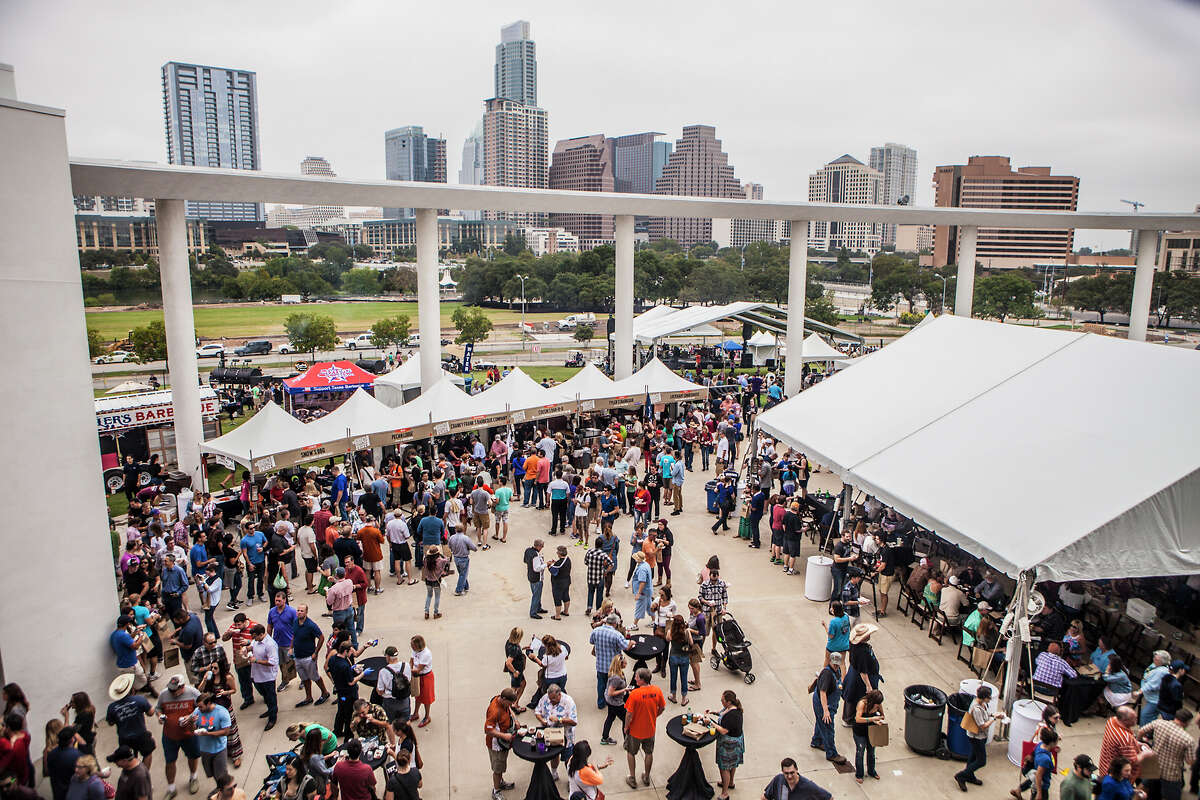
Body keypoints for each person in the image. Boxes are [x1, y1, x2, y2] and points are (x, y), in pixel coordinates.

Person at [155, 675, 201, 800]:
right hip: (170, 735)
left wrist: (191, 716)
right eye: (170, 690)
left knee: (192, 756)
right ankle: (171, 788)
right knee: (170, 762)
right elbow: (158, 708)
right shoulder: (164, 694)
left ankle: (193, 777)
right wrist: (160, 716)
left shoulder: (193, 693)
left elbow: (201, 706)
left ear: (182, 686)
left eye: (175, 690)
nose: (172, 693)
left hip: (189, 734)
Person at [954, 684, 1003, 792]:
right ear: (984, 697)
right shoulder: (976, 708)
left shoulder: (983, 704)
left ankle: (969, 775)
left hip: (981, 736)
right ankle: (961, 775)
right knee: (981, 761)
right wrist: (994, 718)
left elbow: (985, 714)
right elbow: (982, 726)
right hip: (976, 737)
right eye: (988, 697)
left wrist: (994, 715)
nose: (990, 699)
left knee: (972, 757)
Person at [1138, 709, 1196, 800]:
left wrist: (1140, 743)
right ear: (1187, 722)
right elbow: (1190, 761)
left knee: (1150, 791)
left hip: (1154, 766)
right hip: (1171, 774)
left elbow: (1141, 731)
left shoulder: (1158, 723)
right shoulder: (1188, 740)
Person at [622, 668, 664, 790]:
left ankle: (632, 778)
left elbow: (629, 714)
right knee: (649, 752)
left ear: (641, 680)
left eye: (636, 677)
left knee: (631, 752)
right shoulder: (657, 690)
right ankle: (646, 777)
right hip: (650, 729)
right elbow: (662, 707)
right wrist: (654, 716)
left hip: (635, 731)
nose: (635, 678)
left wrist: (626, 727)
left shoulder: (635, 694)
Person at [535, 684, 578, 781]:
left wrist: (559, 719)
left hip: (566, 736)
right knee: (554, 755)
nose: (551, 701)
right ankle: (554, 774)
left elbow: (574, 721)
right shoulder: (545, 698)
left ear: (560, 694)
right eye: (550, 699)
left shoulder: (568, 702)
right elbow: (537, 711)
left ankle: (571, 780)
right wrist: (542, 720)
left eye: (554, 698)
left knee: (569, 760)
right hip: (549, 734)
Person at [841, 623, 880, 726]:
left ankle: (852, 717)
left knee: (852, 694)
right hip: (859, 678)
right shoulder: (861, 651)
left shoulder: (855, 645)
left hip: (856, 673)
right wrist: (868, 685)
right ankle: (850, 718)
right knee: (854, 696)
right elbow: (863, 671)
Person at [189, 694, 232, 785]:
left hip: (219, 749)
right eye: (198, 707)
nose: (199, 709)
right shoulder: (197, 711)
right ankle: (220, 788)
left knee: (221, 775)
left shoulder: (221, 712)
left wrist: (208, 734)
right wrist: (192, 723)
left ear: (208, 703)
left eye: (201, 707)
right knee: (211, 773)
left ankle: (223, 791)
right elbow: (192, 730)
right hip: (205, 750)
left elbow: (226, 731)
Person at [290, 605, 329, 708]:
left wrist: (315, 653)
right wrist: (291, 648)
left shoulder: (311, 625)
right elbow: (294, 635)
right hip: (297, 657)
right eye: (298, 610)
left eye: (301, 611)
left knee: (315, 677)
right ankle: (308, 697)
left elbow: (321, 637)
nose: (299, 612)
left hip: (309, 657)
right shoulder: (295, 622)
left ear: (306, 612)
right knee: (304, 678)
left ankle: (325, 692)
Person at [810, 652, 844, 764]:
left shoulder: (837, 671)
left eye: (838, 664)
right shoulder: (827, 674)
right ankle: (832, 754)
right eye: (834, 664)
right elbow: (823, 693)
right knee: (828, 728)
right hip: (823, 704)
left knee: (821, 722)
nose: (836, 666)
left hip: (828, 703)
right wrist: (826, 711)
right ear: (829, 661)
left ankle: (817, 741)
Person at [483, 689, 517, 800]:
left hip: (504, 743)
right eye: (509, 703)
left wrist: (515, 720)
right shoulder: (494, 710)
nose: (511, 705)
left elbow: (509, 708)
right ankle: (496, 791)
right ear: (503, 699)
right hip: (496, 745)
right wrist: (504, 736)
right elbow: (488, 730)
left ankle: (501, 782)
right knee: (497, 769)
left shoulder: (501, 699)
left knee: (501, 765)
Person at [711, 690, 744, 800]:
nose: (721, 702)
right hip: (737, 741)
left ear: (729, 702)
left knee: (724, 767)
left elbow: (724, 731)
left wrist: (711, 723)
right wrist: (713, 712)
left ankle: (724, 794)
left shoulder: (732, 716)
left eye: (723, 700)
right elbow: (722, 713)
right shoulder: (732, 708)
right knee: (733, 764)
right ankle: (730, 782)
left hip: (729, 744)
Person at [246, 625, 279, 730]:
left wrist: (256, 661)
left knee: (271, 697)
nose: (253, 639)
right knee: (264, 695)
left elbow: (272, 662)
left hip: (267, 676)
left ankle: (272, 717)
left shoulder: (270, 644)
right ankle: (270, 709)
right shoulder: (256, 640)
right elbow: (252, 645)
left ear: (261, 634)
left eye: (255, 637)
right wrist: (248, 648)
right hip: (257, 674)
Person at [266, 595, 298, 694]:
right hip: (277, 643)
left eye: (279, 601)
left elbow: (297, 626)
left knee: (295, 662)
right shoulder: (272, 611)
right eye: (276, 600)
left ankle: (303, 679)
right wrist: (269, 639)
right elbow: (270, 625)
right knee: (281, 663)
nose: (277, 602)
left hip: (289, 642)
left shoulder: (292, 611)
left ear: (284, 600)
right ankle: (285, 680)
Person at [852, 689, 884, 784]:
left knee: (871, 752)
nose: (877, 706)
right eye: (876, 703)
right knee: (860, 751)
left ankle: (871, 771)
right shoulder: (862, 703)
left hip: (871, 731)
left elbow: (882, 715)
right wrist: (872, 719)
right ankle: (859, 774)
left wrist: (878, 719)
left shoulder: (878, 704)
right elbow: (857, 719)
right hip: (860, 731)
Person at [761, 757, 832, 800]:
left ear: (797, 770)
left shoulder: (808, 786)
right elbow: (765, 797)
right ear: (782, 772)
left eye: (792, 772)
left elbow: (829, 798)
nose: (789, 776)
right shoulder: (778, 780)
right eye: (786, 773)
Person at [1133, 650, 1171, 725]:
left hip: (1156, 700)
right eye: (1154, 657)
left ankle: (1145, 733)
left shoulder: (1162, 671)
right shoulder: (1155, 665)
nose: (1154, 659)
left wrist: (1140, 691)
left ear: (1162, 661)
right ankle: (1149, 732)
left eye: (1156, 659)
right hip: (1152, 697)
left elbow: (1153, 684)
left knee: (1145, 715)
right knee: (1150, 716)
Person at [45, 727, 82, 800]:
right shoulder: (77, 755)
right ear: (72, 739)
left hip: (58, 793)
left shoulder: (51, 754)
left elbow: (47, 771)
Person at [665, 615, 695, 706]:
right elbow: (691, 643)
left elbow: (667, 639)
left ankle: (673, 697)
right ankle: (684, 699)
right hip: (684, 657)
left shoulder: (671, 632)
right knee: (684, 678)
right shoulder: (686, 632)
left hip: (673, 656)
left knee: (673, 677)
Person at [410, 636, 435, 728]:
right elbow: (411, 661)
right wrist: (410, 667)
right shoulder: (415, 650)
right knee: (417, 695)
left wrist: (405, 671)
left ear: (418, 645)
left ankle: (427, 716)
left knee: (426, 698)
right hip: (416, 676)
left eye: (413, 645)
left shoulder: (426, 654)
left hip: (425, 677)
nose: (411, 647)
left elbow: (418, 669)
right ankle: (415, 713)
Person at [1029, 728, 1060, 800]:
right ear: (1051, 743)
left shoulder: (1040, 745)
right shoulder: (1045, 759)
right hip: (1042, 787)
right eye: (1056, 742)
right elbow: (1038, 776)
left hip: (1035, 785)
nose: (1057, 743)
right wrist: (1039, 794)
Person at [420, 546, 448, 620]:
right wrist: (441, 554)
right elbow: (446, 559)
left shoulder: (426, 560)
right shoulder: (440, 561)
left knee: (429, 596)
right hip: (436, 581)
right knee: (437, 597)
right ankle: (436, 613)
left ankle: (426, 612)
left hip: (428, 581)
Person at [822, 602, 851, 668]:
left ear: (835, 610)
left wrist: (825, 626)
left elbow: (830, 636)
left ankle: (823, 677)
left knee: (827, 660)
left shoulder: (833, 622)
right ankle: (843, 678)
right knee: (842, 663)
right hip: (844, 645)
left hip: (833, 646)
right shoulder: (846, 616)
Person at [524, 539, 548, 620]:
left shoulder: (528, 550)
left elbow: (525, 561)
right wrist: (546, 564)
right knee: (536, 595)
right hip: (537, 578)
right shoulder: (535, 555)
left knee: (536, 594)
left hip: (530, 575)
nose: (542, 548)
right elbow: (537, 568)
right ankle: (533, 612)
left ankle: (538, 607)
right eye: (542, 546)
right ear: (538, 546)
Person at [630, 552, 654, 631]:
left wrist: (638, 593)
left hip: (643, 592)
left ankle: (635, 624)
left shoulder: (641, 569)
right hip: (647, 591)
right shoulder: (645, 564)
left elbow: (642, 582)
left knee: (639, 607)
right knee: (649, 606)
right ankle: (654, 621)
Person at [548, 546, 572, 620]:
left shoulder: (559, 563)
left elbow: (553, 571)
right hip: (566, 581)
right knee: (566, 596)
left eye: (557, 551)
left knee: (557, 598)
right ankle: (566, 611)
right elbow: (560, 565)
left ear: (559, 553)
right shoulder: (568, 559)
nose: (556, 553)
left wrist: (549, 565)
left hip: (558, 583)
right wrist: (555, 563)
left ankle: (557, 616)